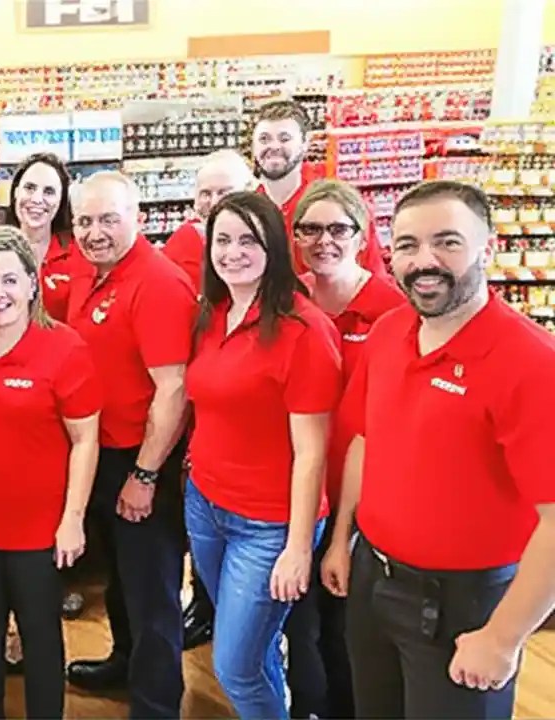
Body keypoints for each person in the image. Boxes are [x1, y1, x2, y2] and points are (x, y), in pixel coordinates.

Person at [322, 181, 555, 719]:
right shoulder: (388, 332)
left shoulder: (531, 364)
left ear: (487, 249)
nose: (424, 260)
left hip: (465, 606)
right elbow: (364, 439)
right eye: (407, 246)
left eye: (447, 242)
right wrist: (343, 540)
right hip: (372, 579)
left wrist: (502, 637)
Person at [184, 191, 342, 720]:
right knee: (254, 652)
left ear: (274, 245)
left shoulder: (305, 331)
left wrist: (298, 548)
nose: (232, 253)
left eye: (248, 240)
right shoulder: (214, 314)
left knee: (234, 665)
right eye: (222, 240)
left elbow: (311, 451)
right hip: (205, 504)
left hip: (268, 525)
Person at [0, 226, 101, 719]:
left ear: (33, 284)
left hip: (39, 533)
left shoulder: (65, 348)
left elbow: (85, 439)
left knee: (42, 644)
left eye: (10, 280)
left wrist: (73, 518)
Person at [63, 171, 195, 717]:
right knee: (121, 578)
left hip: (140, 461)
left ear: (136, 218)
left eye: (108, 219)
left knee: (152, 592)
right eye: (85, 221)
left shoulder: (157, 283)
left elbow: (175, 388)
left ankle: (156, 703)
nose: (95, 232)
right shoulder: (93, 275)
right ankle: (125, 660)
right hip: (101, 454)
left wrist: (144, 474)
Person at [284, 180, 403, 719]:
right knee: (297, 624)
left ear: (362, 235)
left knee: (346, 632)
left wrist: (346, 530)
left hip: (360, 498)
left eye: (337, 229)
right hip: (290, 494)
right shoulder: (285, 299)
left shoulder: (391, 312)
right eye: (309, 229)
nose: (322, 241)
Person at [160, 149, 256, 652]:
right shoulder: (181, 246)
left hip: (264, 493)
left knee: (249, 646)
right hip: (202, 458)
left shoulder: (287, 315)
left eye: (227, 191)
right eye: (207, 193)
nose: (215, 202)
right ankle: (205, 608)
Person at [251, 100, 386, 277]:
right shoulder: (247, 210)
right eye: (264, 139)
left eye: (284, 138)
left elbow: (375, 277)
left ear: (305, 143)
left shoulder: (339, 204)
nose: (274, 146)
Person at [3, 152, 90, 322]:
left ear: (61, 201)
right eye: (29, 188)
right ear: (15, 192)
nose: (37, 199)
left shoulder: (78, 253)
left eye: (49, 192)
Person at [162, 149, 255, 292]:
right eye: (205, 193)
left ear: (249, 192)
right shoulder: (184, 242)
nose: (214, 202)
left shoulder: (264, 238)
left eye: (224, 192)